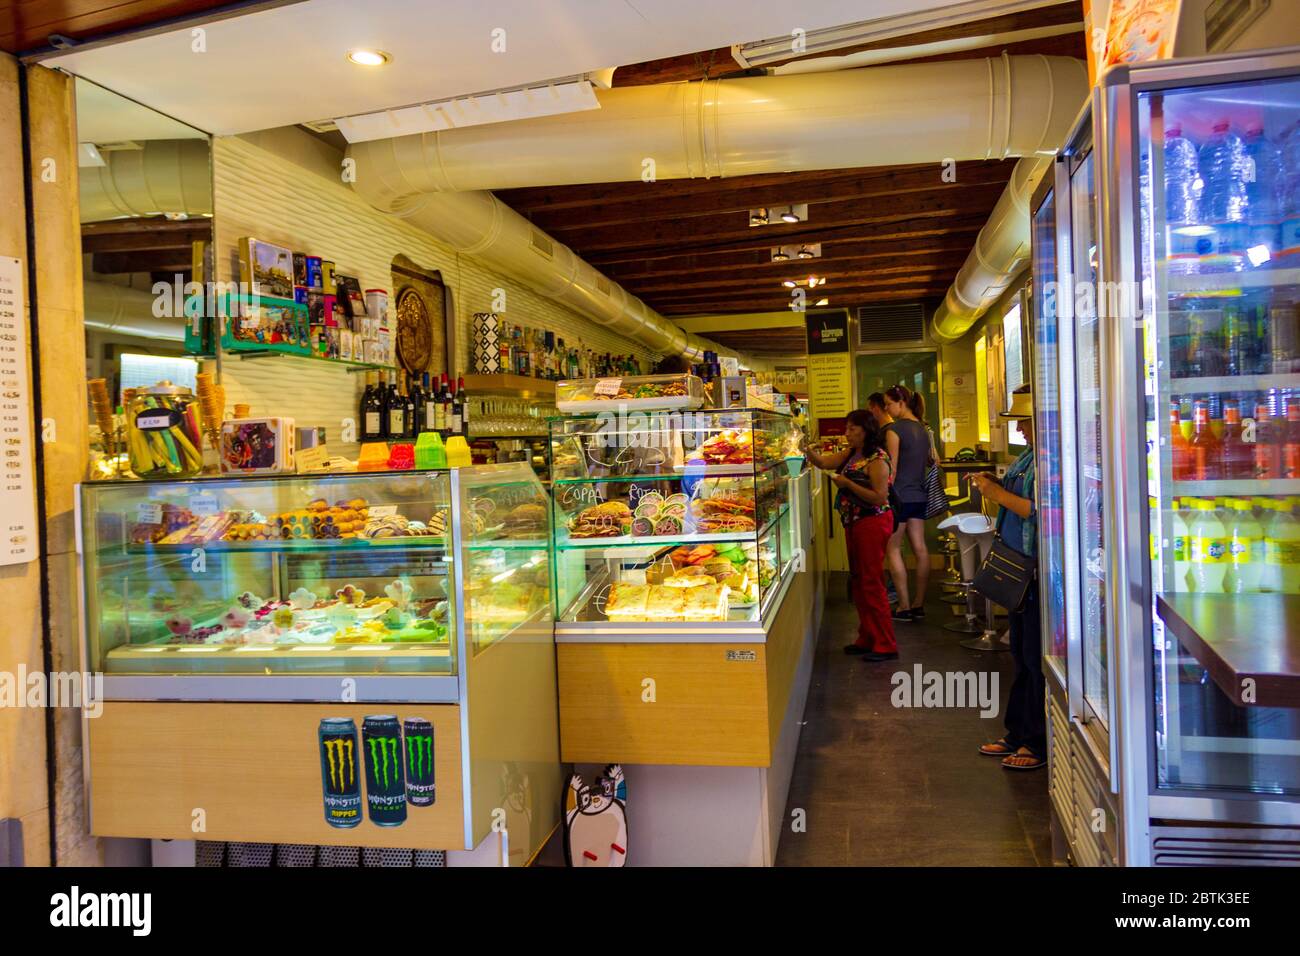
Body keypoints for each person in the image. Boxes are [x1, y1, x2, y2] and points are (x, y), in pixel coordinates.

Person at [971, 385, 1044, 771]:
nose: (1020, 432)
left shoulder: (1052, 458)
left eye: (1025, 423)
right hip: (1019, 565)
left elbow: (1039, 510)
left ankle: (1035, 740)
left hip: (1036, 568)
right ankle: (1018, 732)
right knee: (1020, 654)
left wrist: (995, 493)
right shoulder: (1031, 455)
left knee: (1033, 655)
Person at [803, 410, 897, 662]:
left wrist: (848, 485)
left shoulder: (878, 459)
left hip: (872, 522)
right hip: (854, 521)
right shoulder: (851, 453)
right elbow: (823, 462)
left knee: (871, 582)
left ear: (865, 430)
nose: (846, 433)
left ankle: (886, 644)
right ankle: (867, 637)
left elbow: (879, 497)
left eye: (852, 429)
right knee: (858, 581)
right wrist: (805, 449)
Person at [882, 384, 936, 622]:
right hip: (919, 495)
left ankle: (903, 605)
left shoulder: (895, 430)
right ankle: (919, 604)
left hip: (899, 497)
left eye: (889, 404)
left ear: (901, 403)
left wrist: (881, 492)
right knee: (921, 549)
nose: (887, 408)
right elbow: (933, 460)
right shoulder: (924, 429)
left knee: (893, 548)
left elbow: (891, 469)